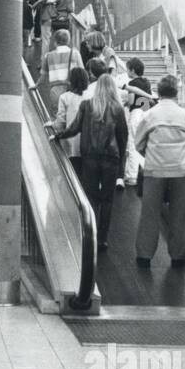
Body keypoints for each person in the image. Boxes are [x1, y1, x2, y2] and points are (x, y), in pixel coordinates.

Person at [133, 75, 185, 269]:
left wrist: (151, 154)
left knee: (149, 214)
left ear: (159, 93)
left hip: (154, 171)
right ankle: (178, 257)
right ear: (176, 93)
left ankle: (144, 256)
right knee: (179, 214)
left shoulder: (150, 115)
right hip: (180, 171)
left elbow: (138, 144)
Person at [56, 73, 127, 252]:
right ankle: (103, 239)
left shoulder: (86, 105)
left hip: (90, 157)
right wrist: (121, 170)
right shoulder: (118, 109)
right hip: (111, 158)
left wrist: (58, 135)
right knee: (107, 200)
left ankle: (90, 236)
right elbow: (123, 139)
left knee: (91, 198)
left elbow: (74, 128)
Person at [122, 57, 156, 185]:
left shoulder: (132, 84)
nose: (126, 72)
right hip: (146, 114)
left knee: (132, 144)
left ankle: (132, 176)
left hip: (136, 114)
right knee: (144, 144)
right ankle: (145, 174)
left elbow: (131, 101)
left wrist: (125, 103)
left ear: (132, 70)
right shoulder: (147, 82)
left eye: (127, 69)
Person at [51, 65, 88, 178]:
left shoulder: (64, 97)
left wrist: (52, 125)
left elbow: (60, 122)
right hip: (88, 142)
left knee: (73, 175)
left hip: (71, 144)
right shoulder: (90, 96)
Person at [36, 29, 75, 115]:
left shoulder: (48, 56)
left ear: (55, 41)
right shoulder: (74, 54)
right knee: (71, 116)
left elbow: (43, 76)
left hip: (55, 90)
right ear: (68, 41)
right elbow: (81, 72)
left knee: (57, 115)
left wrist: (36, 85)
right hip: (71, 89)